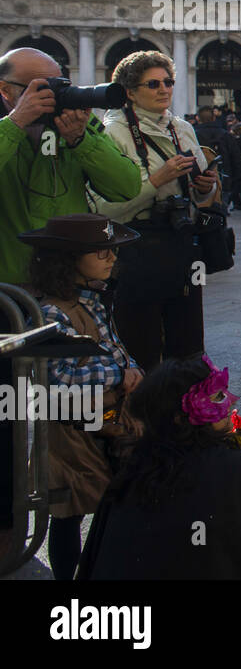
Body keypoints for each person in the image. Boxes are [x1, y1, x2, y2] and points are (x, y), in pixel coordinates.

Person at [78, 355, 241, 579]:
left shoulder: (131, 472)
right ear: (180, 417)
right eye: (216, 396)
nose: (229, 402)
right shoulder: (234, 469)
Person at [20, 214, 144, 580]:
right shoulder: (51, 312)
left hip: (105, 424)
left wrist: (131, 369)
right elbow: (59, 377)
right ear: (68, 259)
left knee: (109, 505)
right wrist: (119, 375)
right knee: (68, 513)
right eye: (100, 252)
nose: (111, 258)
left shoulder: (92, 300)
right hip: (69, 435)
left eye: (111, 251)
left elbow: (115, 347)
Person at [91, 50, 217, 370]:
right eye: (153, 84)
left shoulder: (181, 127)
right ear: (130, 92)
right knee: (142, 345)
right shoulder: (113, 132)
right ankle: (143, 415)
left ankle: (187, 412)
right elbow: (104, 207)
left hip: (179, 246)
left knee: (188, 345)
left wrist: (206, 188)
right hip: (136, 251)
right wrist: (157, 179)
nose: (164, 89)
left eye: (168, 81)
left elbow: (202, 192)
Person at [0, 47, 142, 286]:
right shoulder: (7, 126)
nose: (52, 95)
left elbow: (127, 186)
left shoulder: (76, 122)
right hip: (7, 285)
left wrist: (81, 141)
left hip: (65, 281)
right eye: (41, 87)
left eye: (59, 85)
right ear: (5, 89)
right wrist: (16, 123)